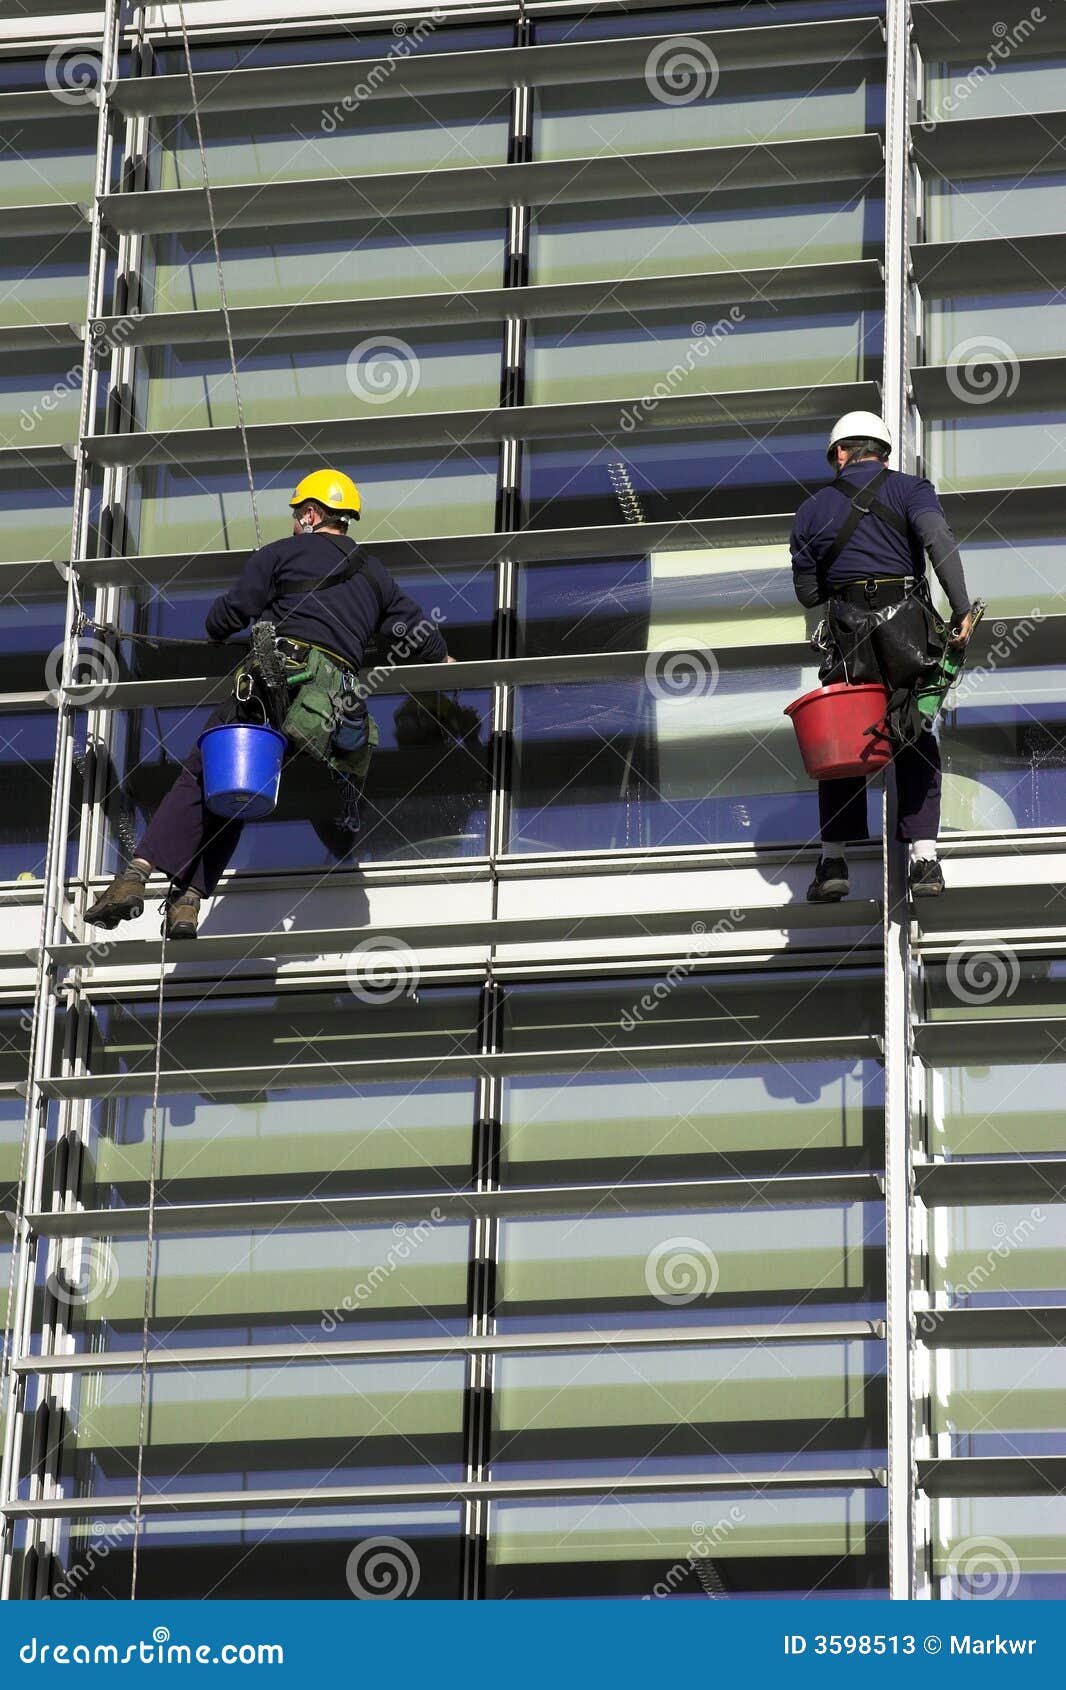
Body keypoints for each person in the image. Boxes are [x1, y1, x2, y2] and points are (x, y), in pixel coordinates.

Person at [86, 468, 453, 938]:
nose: (297, 520)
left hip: (272, 683)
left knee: (204, 769)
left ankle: (136, 875)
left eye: (300, 512)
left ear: (312, 514)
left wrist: (223, 618)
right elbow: (416, 635)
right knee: (238, 789)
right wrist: (442, 655)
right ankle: (188, 901)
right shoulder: (374, 574)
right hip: (321, 712)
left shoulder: (281, 554)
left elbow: (226, 618)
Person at [790, 412, 974, 903]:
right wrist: (960, 609)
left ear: (840, 454)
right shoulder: (912, 489)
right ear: (885, 454)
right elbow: (939, 542)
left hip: (849, 635)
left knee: (843, 740)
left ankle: (833, 859)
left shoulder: (810, 510)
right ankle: (925, 859)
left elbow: (808, 593)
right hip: (907, 630)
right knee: (913, 732)